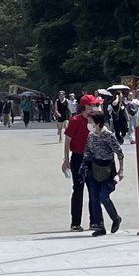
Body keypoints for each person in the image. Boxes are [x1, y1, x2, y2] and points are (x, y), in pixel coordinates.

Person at [82, 101, 124, 235]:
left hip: (107, 168)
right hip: (94, 167)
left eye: (91, 121)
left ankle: (115, 218)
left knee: (103, 196)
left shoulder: (109, 136)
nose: (89, 124)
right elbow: (88, 151)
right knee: (94, 196)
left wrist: (121, 169)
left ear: (98, 122)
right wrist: (84, 164)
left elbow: (119, 152)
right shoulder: (90, 136)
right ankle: (99, 226)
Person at [61, 95, 95, 231]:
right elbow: (68, 140)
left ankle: (95, 221)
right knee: (78, 189)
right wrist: (66, 160)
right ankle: (75, 222)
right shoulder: (75, 120)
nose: (94, 107)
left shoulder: (95, 120)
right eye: (91, 105)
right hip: (78, 157)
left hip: (92, 158)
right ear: (85, 106)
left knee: (94, 189)